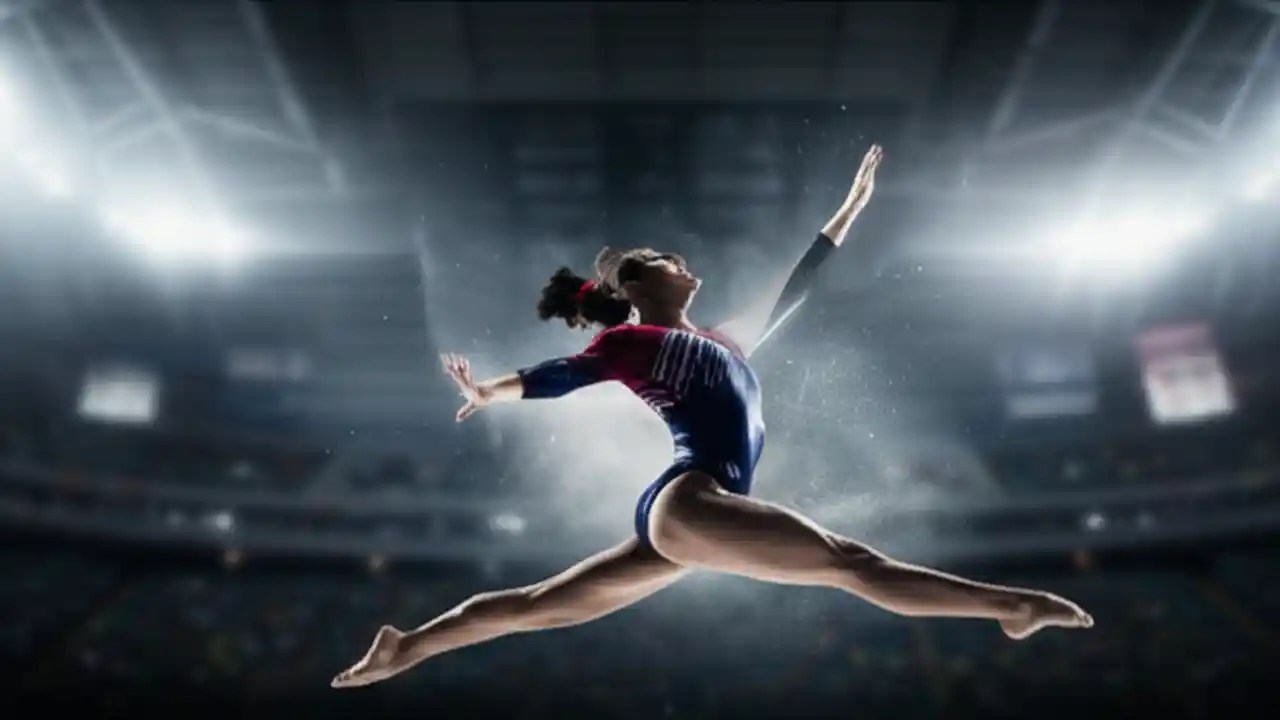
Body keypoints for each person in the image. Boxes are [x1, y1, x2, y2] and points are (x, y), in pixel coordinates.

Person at [332, 145, 1091, 689]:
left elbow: (798, 285)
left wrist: (849, 211)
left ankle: (408, 646)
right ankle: (1012, 605)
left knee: (540, 608)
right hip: (690, 499)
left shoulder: (724, 342)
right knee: (849, 564)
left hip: (687, 516)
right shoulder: (632, 339)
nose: (685, 261)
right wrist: (488, 393)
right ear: (640, 283)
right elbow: (558, 377)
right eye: (668, 258)